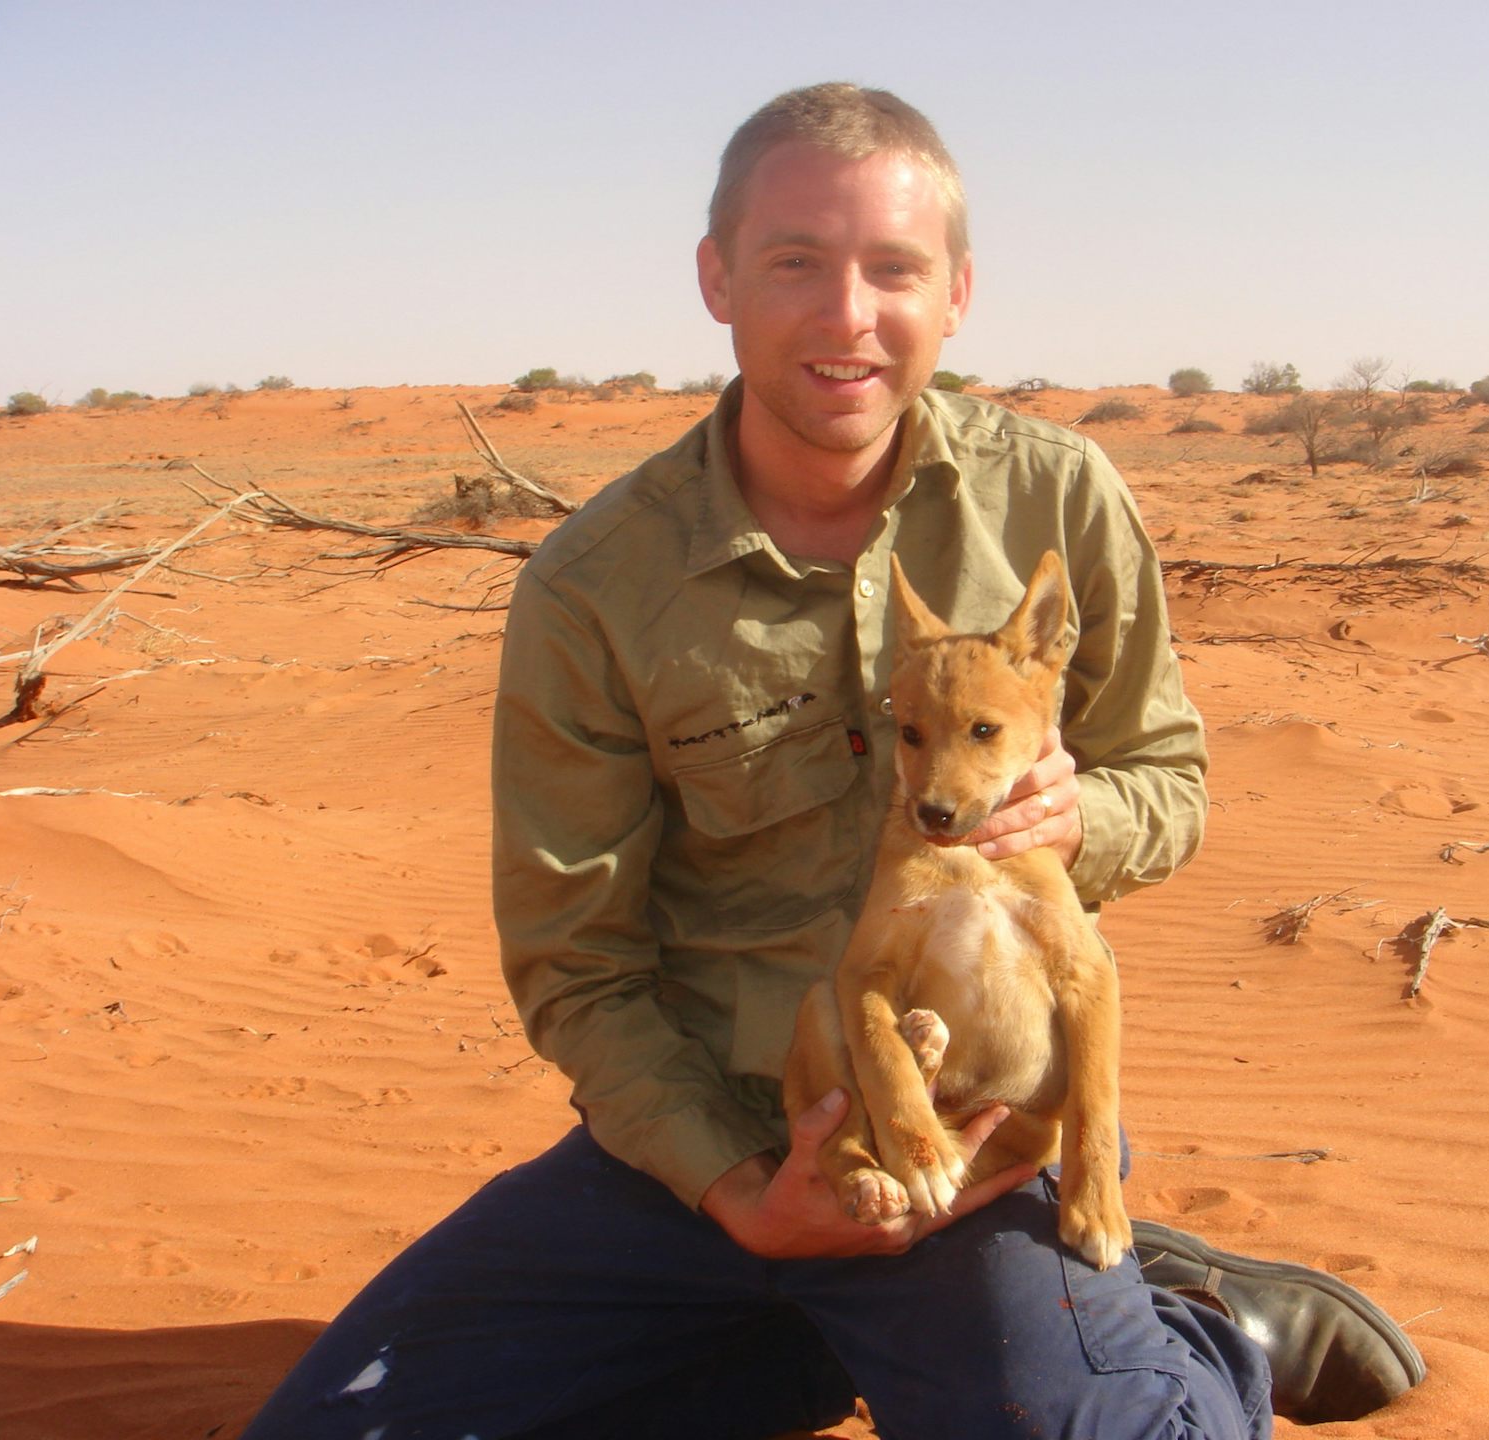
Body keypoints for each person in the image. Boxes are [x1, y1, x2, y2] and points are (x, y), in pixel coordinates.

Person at [242, 82, 1422, 1440]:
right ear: (718, 278)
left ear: (959, 292)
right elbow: (578, 962)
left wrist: (1076, 813)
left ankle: (1199, 1335)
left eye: (894, 269)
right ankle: (818, 1331)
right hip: (702, 1143)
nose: (847, 314)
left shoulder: (1057, 497)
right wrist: (741, 1190)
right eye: (796, 261)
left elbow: (1169, 777)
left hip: (971, 1141)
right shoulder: (596, 586)